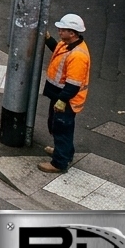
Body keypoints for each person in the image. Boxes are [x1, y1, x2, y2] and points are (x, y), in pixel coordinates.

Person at [38, 13, 90, 174]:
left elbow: (73, 84)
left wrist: (62, 101)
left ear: (72, 33)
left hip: (66, 100)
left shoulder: (78, 56)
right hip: (60, 97)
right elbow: (57, 51)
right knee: (59, 127)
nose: (59, 31)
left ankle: (59, 163)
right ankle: (65, 153)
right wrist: (48, 39)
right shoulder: (67, 45)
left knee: (61, 129)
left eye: (62, 30)